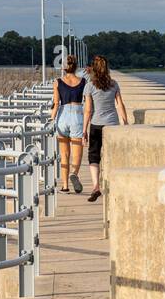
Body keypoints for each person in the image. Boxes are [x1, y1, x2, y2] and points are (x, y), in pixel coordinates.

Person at [82, 55, 128, 202]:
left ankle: (96, 186)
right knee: (111, 154)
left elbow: (88, 110)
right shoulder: (114, 84)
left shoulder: (90, 86)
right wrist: (125, 122)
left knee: (94, 156)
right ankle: (112, 183)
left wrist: (84, 130)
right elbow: (120, 104)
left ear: (93, 69)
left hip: (96, 125)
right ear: (107, 68)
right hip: (112, 125)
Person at [50, 54, 87, 193]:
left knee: (64, 154)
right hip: (77, 115)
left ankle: (65, 186)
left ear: (64, 68)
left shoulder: (58, 82)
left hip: (63, 116)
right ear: (76, 67)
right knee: (77, 152)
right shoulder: (83, 81)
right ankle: (74, 173)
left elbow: (56, 104)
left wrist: (51, 119)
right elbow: (87, 103)